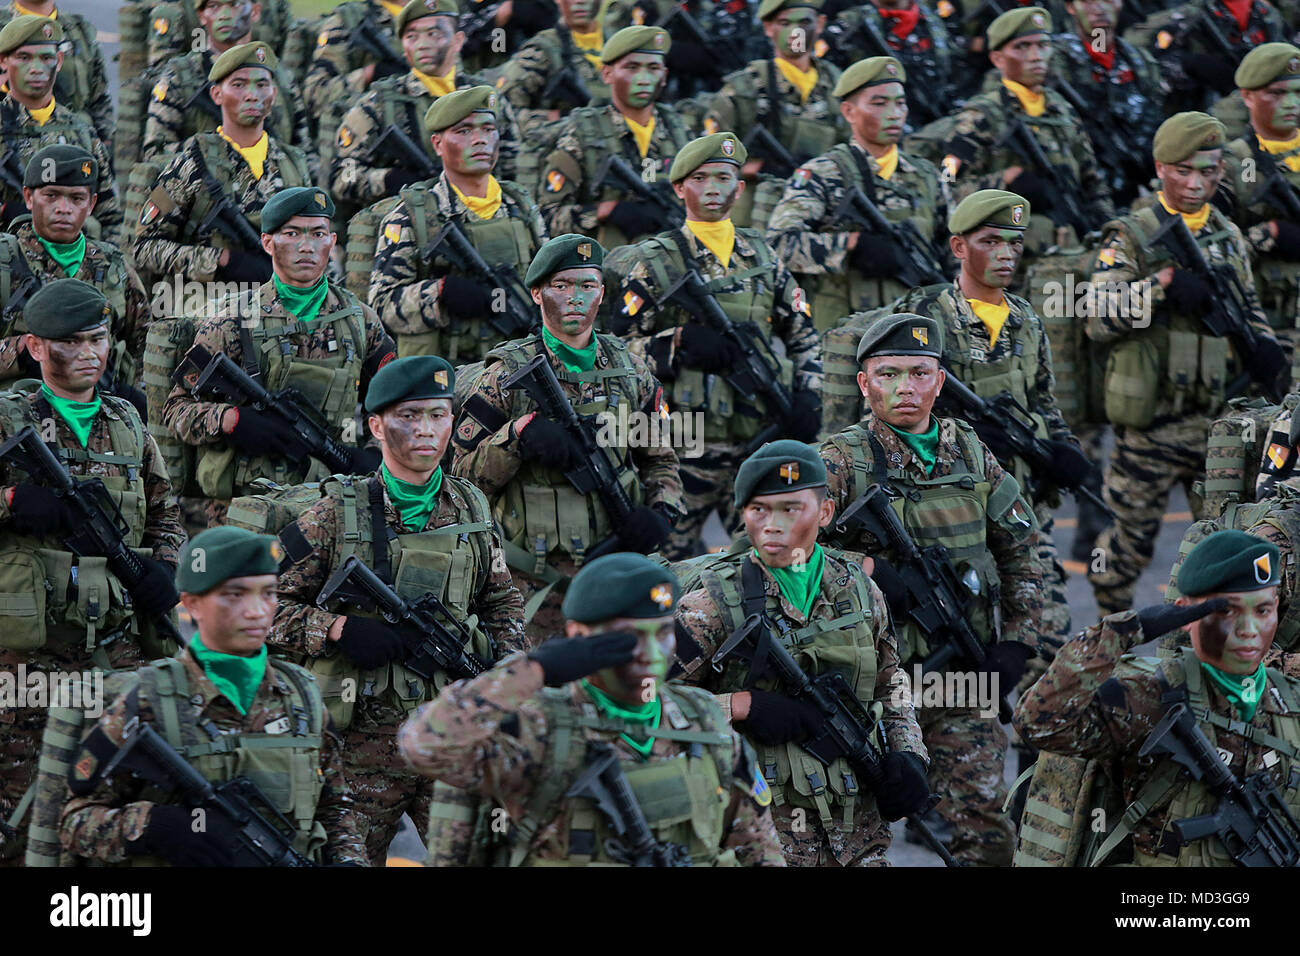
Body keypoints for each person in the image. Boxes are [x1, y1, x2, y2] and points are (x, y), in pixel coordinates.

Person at [271, 354, 525, 864]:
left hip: (450, 731)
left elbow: (501, 601)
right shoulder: (334, 512)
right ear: (376, 424)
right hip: (360, 742)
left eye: (438, 415)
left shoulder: (472, 506)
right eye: (410, 416)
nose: (426, 430)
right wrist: (338, 629)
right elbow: (264, 606)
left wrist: (507, 670)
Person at [819, 311, 1047, 865]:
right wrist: (868, 573)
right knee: (854, 838)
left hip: (958, 680)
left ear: (940, 381)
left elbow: (1019, 547)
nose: (906, 388)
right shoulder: (839, 461)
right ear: (864, 382)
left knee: (987, 831)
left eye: (920, 373)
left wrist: (1016, 642)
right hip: (870, 687)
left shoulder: (970, 452)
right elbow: (774, 550)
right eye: (889, 373)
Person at [397, 551, 788, 866]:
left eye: (664, 633)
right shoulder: (536, 726)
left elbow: (758, 849)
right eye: (629, 637)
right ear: (578, 638)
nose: (652, 653)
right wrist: (536, 668)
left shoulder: (704, 720)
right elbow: (425, 745)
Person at [675, 440, 930, 865]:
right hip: (760, 839)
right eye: (759, 510)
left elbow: (891, 681)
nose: (773, 525)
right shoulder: (711, 604)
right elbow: (647, 706)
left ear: (825, 513)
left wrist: (908, 753)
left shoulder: (860, 589)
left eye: (791, 509)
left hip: (856, 832)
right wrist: (741, 705)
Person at [0, 279, 184, 866]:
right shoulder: (8, 419)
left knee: (109, 793)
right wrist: (9, 503)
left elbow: (165, 515)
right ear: (34, 347)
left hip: (116, 648)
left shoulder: (127, 420)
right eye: (70, 342)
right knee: (18, 804)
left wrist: (163, 570)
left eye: (99, 339)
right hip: (26, 654)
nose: (88, 354)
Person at [58, 526, 369, 867]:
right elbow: (74, 820)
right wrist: (153, 826)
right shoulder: (149, 699)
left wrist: (349, 860)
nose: (256, 611)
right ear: (192, 603)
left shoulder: (303, 695)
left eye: (267, 593)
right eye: (235, 595)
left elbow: (335, 806)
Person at [1086, 111, 1287, 615]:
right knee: (1124, 554)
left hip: (1217, 425)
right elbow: (1096, 314)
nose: (1197, 183)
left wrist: (1267, 352)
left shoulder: (1227, 233)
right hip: (1150, 428)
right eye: (1183, 171)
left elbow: (1249, 307)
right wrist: (1163, 287)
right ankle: (1109, 641)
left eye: (1210, 171)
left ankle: (1206, 658)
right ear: (1160, 168)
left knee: (1223, 550)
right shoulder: (1131, 234)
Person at [1015, 529, 1300, 866]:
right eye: (1227, 612)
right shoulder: (1152, 696)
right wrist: (1122, 631)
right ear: (1185, 616)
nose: (1249, 630)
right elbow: (1039, 724)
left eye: (1263, 611)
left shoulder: (1289, 701)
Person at [452, 233, 683, 644]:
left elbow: (659, 458)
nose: (575, 298)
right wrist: (516, 437)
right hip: (528, 580)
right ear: (538, 293)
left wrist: (660, 512)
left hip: (613, 569)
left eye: (587, 286)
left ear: (601, 292)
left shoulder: (630, 370)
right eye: (561, 286)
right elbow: (459, 482)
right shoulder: (504, 375)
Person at [610, 131, 822, 558]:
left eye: (723, 178)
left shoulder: (763, 256)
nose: (712, 188)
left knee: (771, 560)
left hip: (757, 440)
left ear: (740, 188)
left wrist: (809, 396)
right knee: (665, 565)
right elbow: (616, 352)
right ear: (679, 188)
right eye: (700, 177)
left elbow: (802, 334)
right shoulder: (654, 261)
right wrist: (677, 343)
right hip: (683, 442)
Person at [162, 186, 395, 526]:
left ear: (331, 242)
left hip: (334, 506)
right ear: (268, 243)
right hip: (244, 510)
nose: (306, 246)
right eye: (292, 233)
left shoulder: (361, 321)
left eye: (317, 234)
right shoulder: (231, 322)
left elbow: (395, 405)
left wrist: (373, 456)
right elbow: (175, 410)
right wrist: (233, 421)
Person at [368, 85, 547, 363]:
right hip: (443, 381)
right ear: (438, 144)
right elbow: (380, 305)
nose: (480, 140)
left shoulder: (521, 205)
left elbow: (548, 282)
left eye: (488, 129)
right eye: (464, 131)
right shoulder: (412, 215)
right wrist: (440, 293)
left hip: (516, 367)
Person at [766, 56, 947, 328]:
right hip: (843, 336)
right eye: (879, 103)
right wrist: (851, 245)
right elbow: (779, 245)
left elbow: (954, 251)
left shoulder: (927, 175)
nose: (894, 113)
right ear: (849, 112)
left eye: (900, 103)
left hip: (913, 336)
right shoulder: (823, 173)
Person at [131, 40, 312, 288]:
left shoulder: (294, 162)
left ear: (274, 93)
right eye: (238, 85)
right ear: (216, 94)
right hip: (209, 306)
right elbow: (144, 248)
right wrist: (222, 261)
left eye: (262, 84)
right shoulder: (192, 162)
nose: (252, 95)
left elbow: (315, 238)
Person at [0, 146, 149, 403]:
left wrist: (131, 398)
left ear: (91, 204)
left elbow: (144, 343)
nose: (63, 208)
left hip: (98, 418)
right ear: (28, 197)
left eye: (76, 198)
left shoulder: (113, 266)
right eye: (51, 195)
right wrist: (25, 350)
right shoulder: (5, 260)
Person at [536, 26, 694, 247]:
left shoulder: (679, 133)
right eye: (632, 67)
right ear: (607, 74)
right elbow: (545, 219)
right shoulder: (582, 134)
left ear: (664, 76)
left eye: (653, 68)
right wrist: (606, 211)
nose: (643, 78)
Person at [141, 0, 312, 167]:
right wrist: (209, 153)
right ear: (202, 15)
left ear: (255, 11)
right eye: (214, 6)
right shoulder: (180, 74)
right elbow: (155, 154)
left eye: (234, 4)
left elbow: (303, 152)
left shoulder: (281, 77)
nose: (224, 15)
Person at [0, 15, 119, 245]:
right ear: (4, 61)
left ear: (60, 60)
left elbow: (108, 214)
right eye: (24, 57)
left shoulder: (82, 132)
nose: (36, 68)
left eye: (46, 58)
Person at [1220, 42, 1300, 357]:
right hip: (1270, 321)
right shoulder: (1233, 163)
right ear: (1247, 96)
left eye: (1297, 92)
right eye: (1277, 94)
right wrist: (1267, 236)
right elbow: (1211, 249)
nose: (1291, 103)